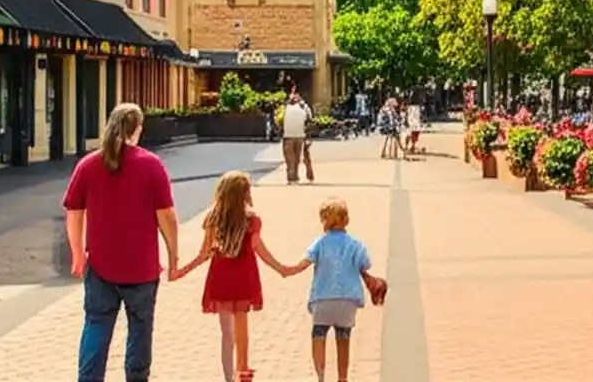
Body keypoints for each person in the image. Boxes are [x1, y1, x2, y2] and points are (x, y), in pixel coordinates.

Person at [63, 103, 179, 382]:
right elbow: (166, 217)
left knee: (96, 325)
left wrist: (78, 253)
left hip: (101, 266)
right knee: (140, 330)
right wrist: (174, 257)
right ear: (137, 129)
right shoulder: (151, 164)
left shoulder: (89, 164)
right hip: (141, 268)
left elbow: (74, 211)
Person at [172, 172, 295, 382]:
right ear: (243, 194)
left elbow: (204, 254)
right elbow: (259, 249)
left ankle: (228, 377)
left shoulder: (213, 218)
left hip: (220, 276)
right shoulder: (252, 220)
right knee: (242, 330)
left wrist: (182, 270)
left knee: (226, 333)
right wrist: (280, 268)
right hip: (243, 276)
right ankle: (243, 372)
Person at [286, 198, 382, 382]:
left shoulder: (320, 243)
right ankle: (342, 378)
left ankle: (321, 377)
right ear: (346, 220)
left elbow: (305, 263)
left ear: (324, 220)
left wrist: (288, 270)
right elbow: (366, 264)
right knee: (343, 340)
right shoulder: (355, 244)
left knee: (318, 335)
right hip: (347, 301)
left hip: (323, 299)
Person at [282, 92, 314, 184]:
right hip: (300, 135)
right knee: (296, 158)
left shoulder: (285, 107)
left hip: (288, 136)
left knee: (290, 159)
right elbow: (309, 118)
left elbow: (279, 119)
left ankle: (291, 178)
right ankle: (294, 177)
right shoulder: (304, 106)